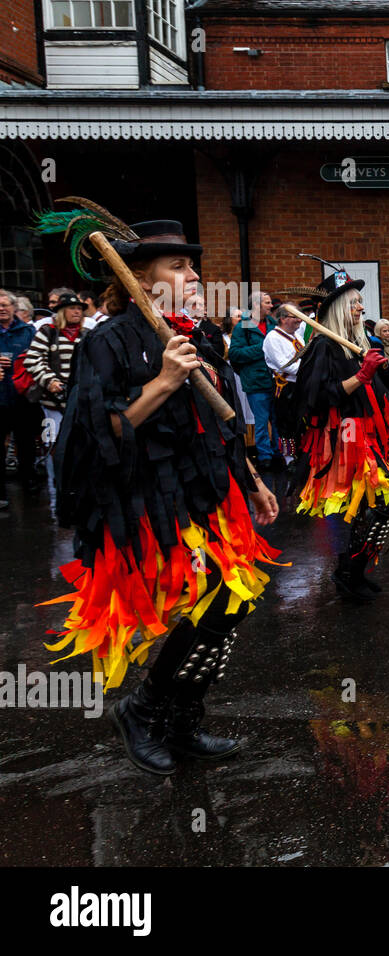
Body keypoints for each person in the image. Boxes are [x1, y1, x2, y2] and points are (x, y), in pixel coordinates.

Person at [39, 214, 281, 776]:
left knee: (232, 599)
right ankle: (145, 710)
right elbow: (93, 439)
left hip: (211, 497)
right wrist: (164, 381)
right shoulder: (108, 340)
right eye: (179, 266)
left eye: (192, 264)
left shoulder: (196, 337)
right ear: (140, 280)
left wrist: (253, 480)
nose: (194, 274)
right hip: (151, 506)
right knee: (214, 600)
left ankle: (180, 720)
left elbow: (219, 428)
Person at [290, 268, 389, 601]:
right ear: (336, 309)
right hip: (343, 439)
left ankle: (352, 573)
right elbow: (316, 399)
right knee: (380, 500)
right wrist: (360, 376)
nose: (361, 307)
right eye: (354, 302)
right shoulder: (323, 348)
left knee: (372, 505)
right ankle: (349, 573)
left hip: (369, 434)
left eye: (361, 301)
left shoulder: (364, 343)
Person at [22, 291, 87, 495]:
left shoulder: (87, 335)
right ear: (61, 312)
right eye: (72, 308)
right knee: (54, 447)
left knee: (80, 447)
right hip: (53, 406)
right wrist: (50, 380)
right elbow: (32, 359)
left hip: (80, 403)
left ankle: (76, 490)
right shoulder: (47, 332)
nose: (77, 311)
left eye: (79, 308)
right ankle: (56, 493)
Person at [228, 289, 280, 471]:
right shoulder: (242, 327)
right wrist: (263, 347)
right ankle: (265, 457)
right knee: (261, 421)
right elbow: (234, 354)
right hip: (256, 382)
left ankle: (280, 453)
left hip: (277, 381)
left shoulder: (274, 324)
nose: (271, 306)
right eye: (267, 302)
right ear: (256, 305)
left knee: (278, 420)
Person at [0, 287, 40, 504]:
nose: (2, 309)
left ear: (14, 307)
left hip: (22, 396)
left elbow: (38, 357)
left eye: (5, 305)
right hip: (0, 398)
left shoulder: (27, 331)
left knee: (26, 444)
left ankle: (30, 485)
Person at [262, 302, 308, 466]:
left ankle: (303, 454)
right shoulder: (273, 338)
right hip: (285, 386)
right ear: (282, 319)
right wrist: (309, 368)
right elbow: (285, 365)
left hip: (301, 385)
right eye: (295, 316)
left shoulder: (298, 337)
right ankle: (289, 459)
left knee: (302, 421)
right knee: (286, 422)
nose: (299, 320)